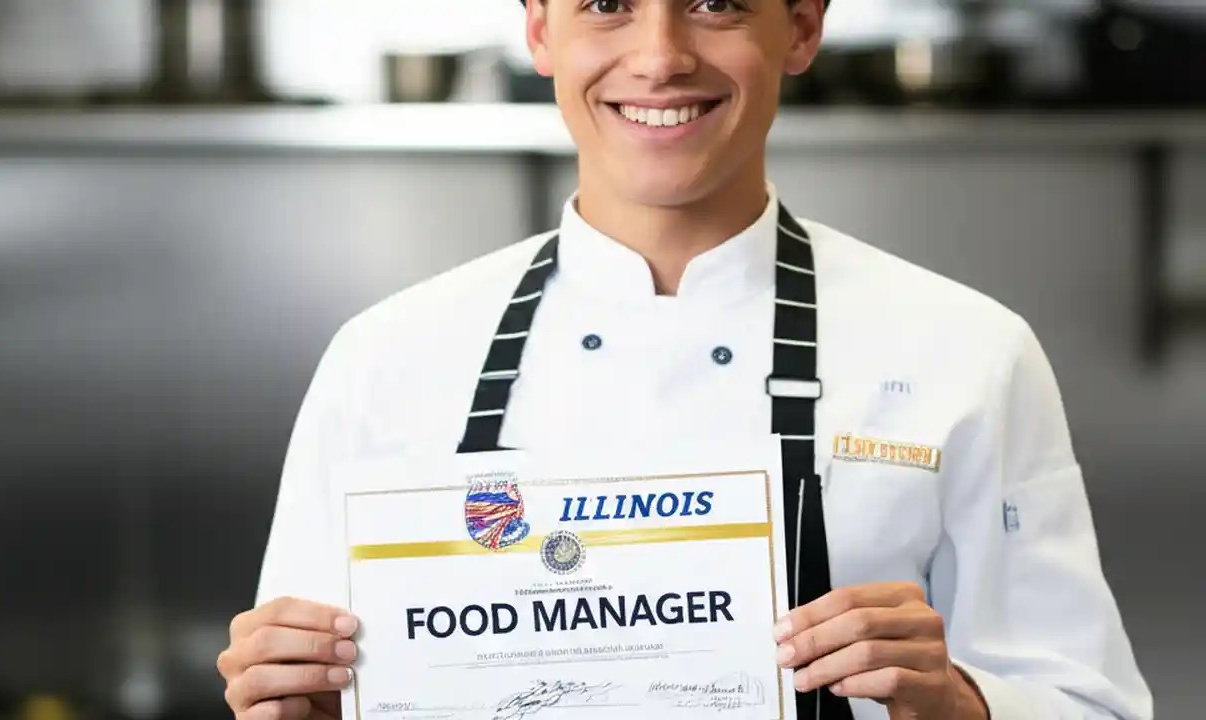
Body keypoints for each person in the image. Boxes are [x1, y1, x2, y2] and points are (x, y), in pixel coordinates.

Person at [215, 1, 1154, 719]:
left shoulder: (969, 350)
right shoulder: (384, 359)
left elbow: (1093, 702)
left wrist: (961, 700)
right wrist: (288, 697)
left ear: (802, 25)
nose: (661, 57)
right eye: (607, 2)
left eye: (714, 2)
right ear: (539, 30)